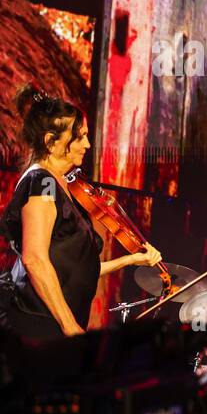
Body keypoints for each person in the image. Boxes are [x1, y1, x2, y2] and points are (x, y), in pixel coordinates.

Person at [0, 86, 162, 341]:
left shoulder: (58, 183)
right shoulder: (42, 183)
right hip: (38, 324)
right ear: (51, 142)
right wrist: (69, 326)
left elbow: (75, 268)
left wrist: (130, 260)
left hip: (54, 323)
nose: (87, 144)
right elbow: (35, 260)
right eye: (80, 137)